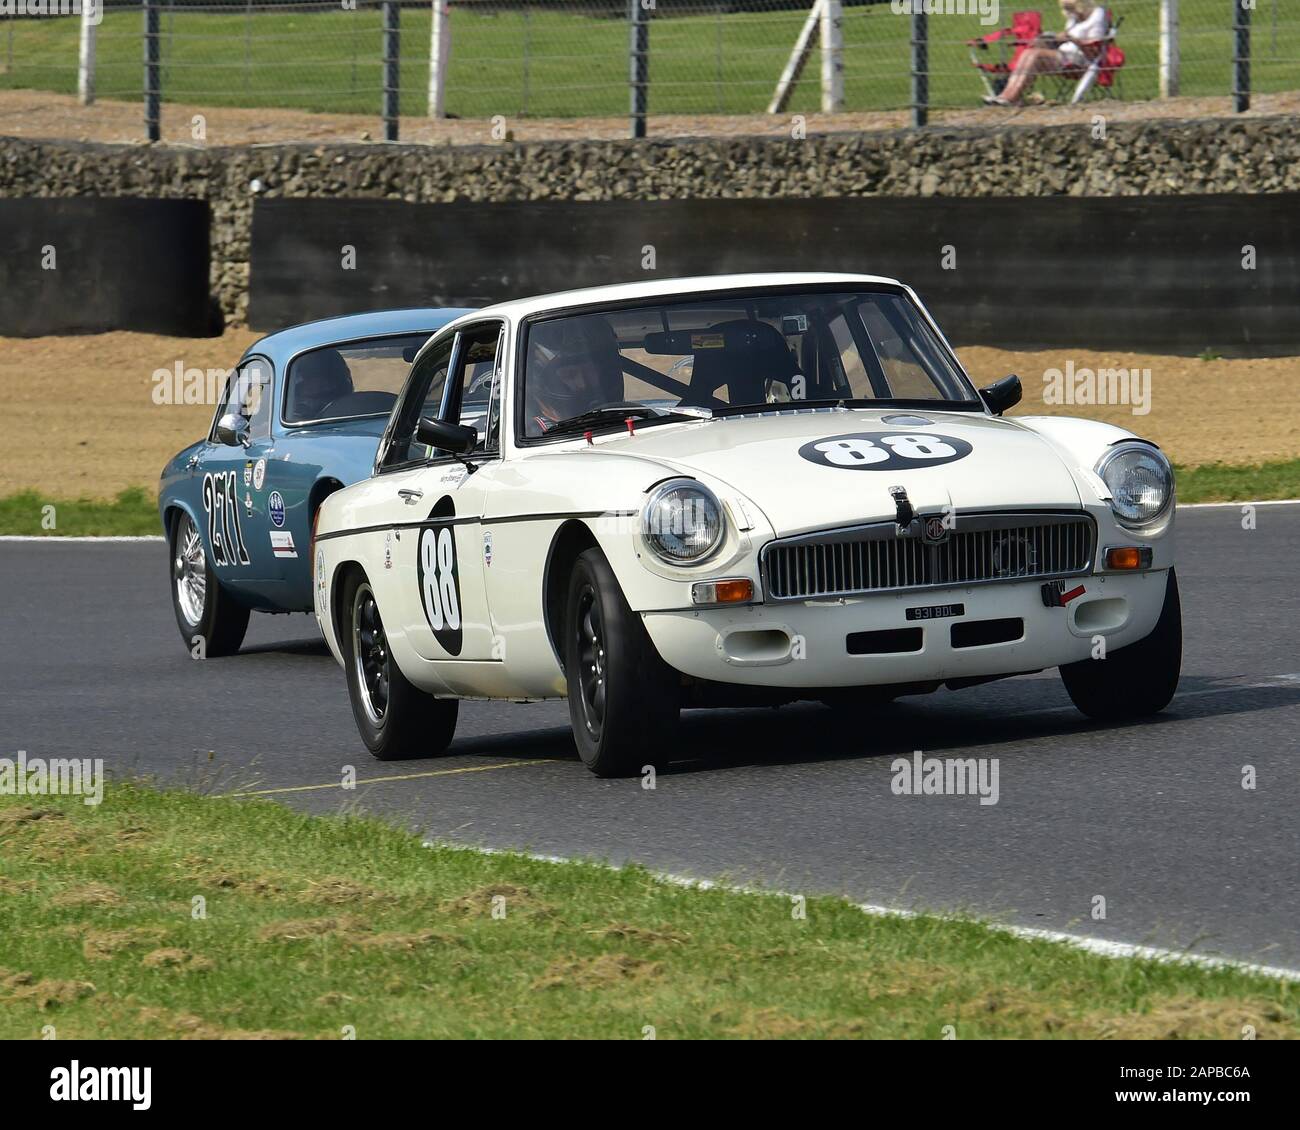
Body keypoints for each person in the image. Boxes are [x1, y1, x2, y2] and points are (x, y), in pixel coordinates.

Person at [985, 0, 1110, 106]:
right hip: (1065, 55)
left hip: (1082, 61)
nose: (1069, 13)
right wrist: (1054, 40)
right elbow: (1067, 38)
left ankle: (1012, 98)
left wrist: (1072, 39)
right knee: (1028, 52)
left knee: (1035, 55)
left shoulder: (1098, 16)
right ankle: (1005, 95)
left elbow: (1094, 51)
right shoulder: (1074, 17)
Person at [525, 349, 605, 436]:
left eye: (589, 372)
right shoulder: (535, 433)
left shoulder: (614, 417)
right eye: (570, 375)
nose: (582, 384)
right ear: (549, 384)